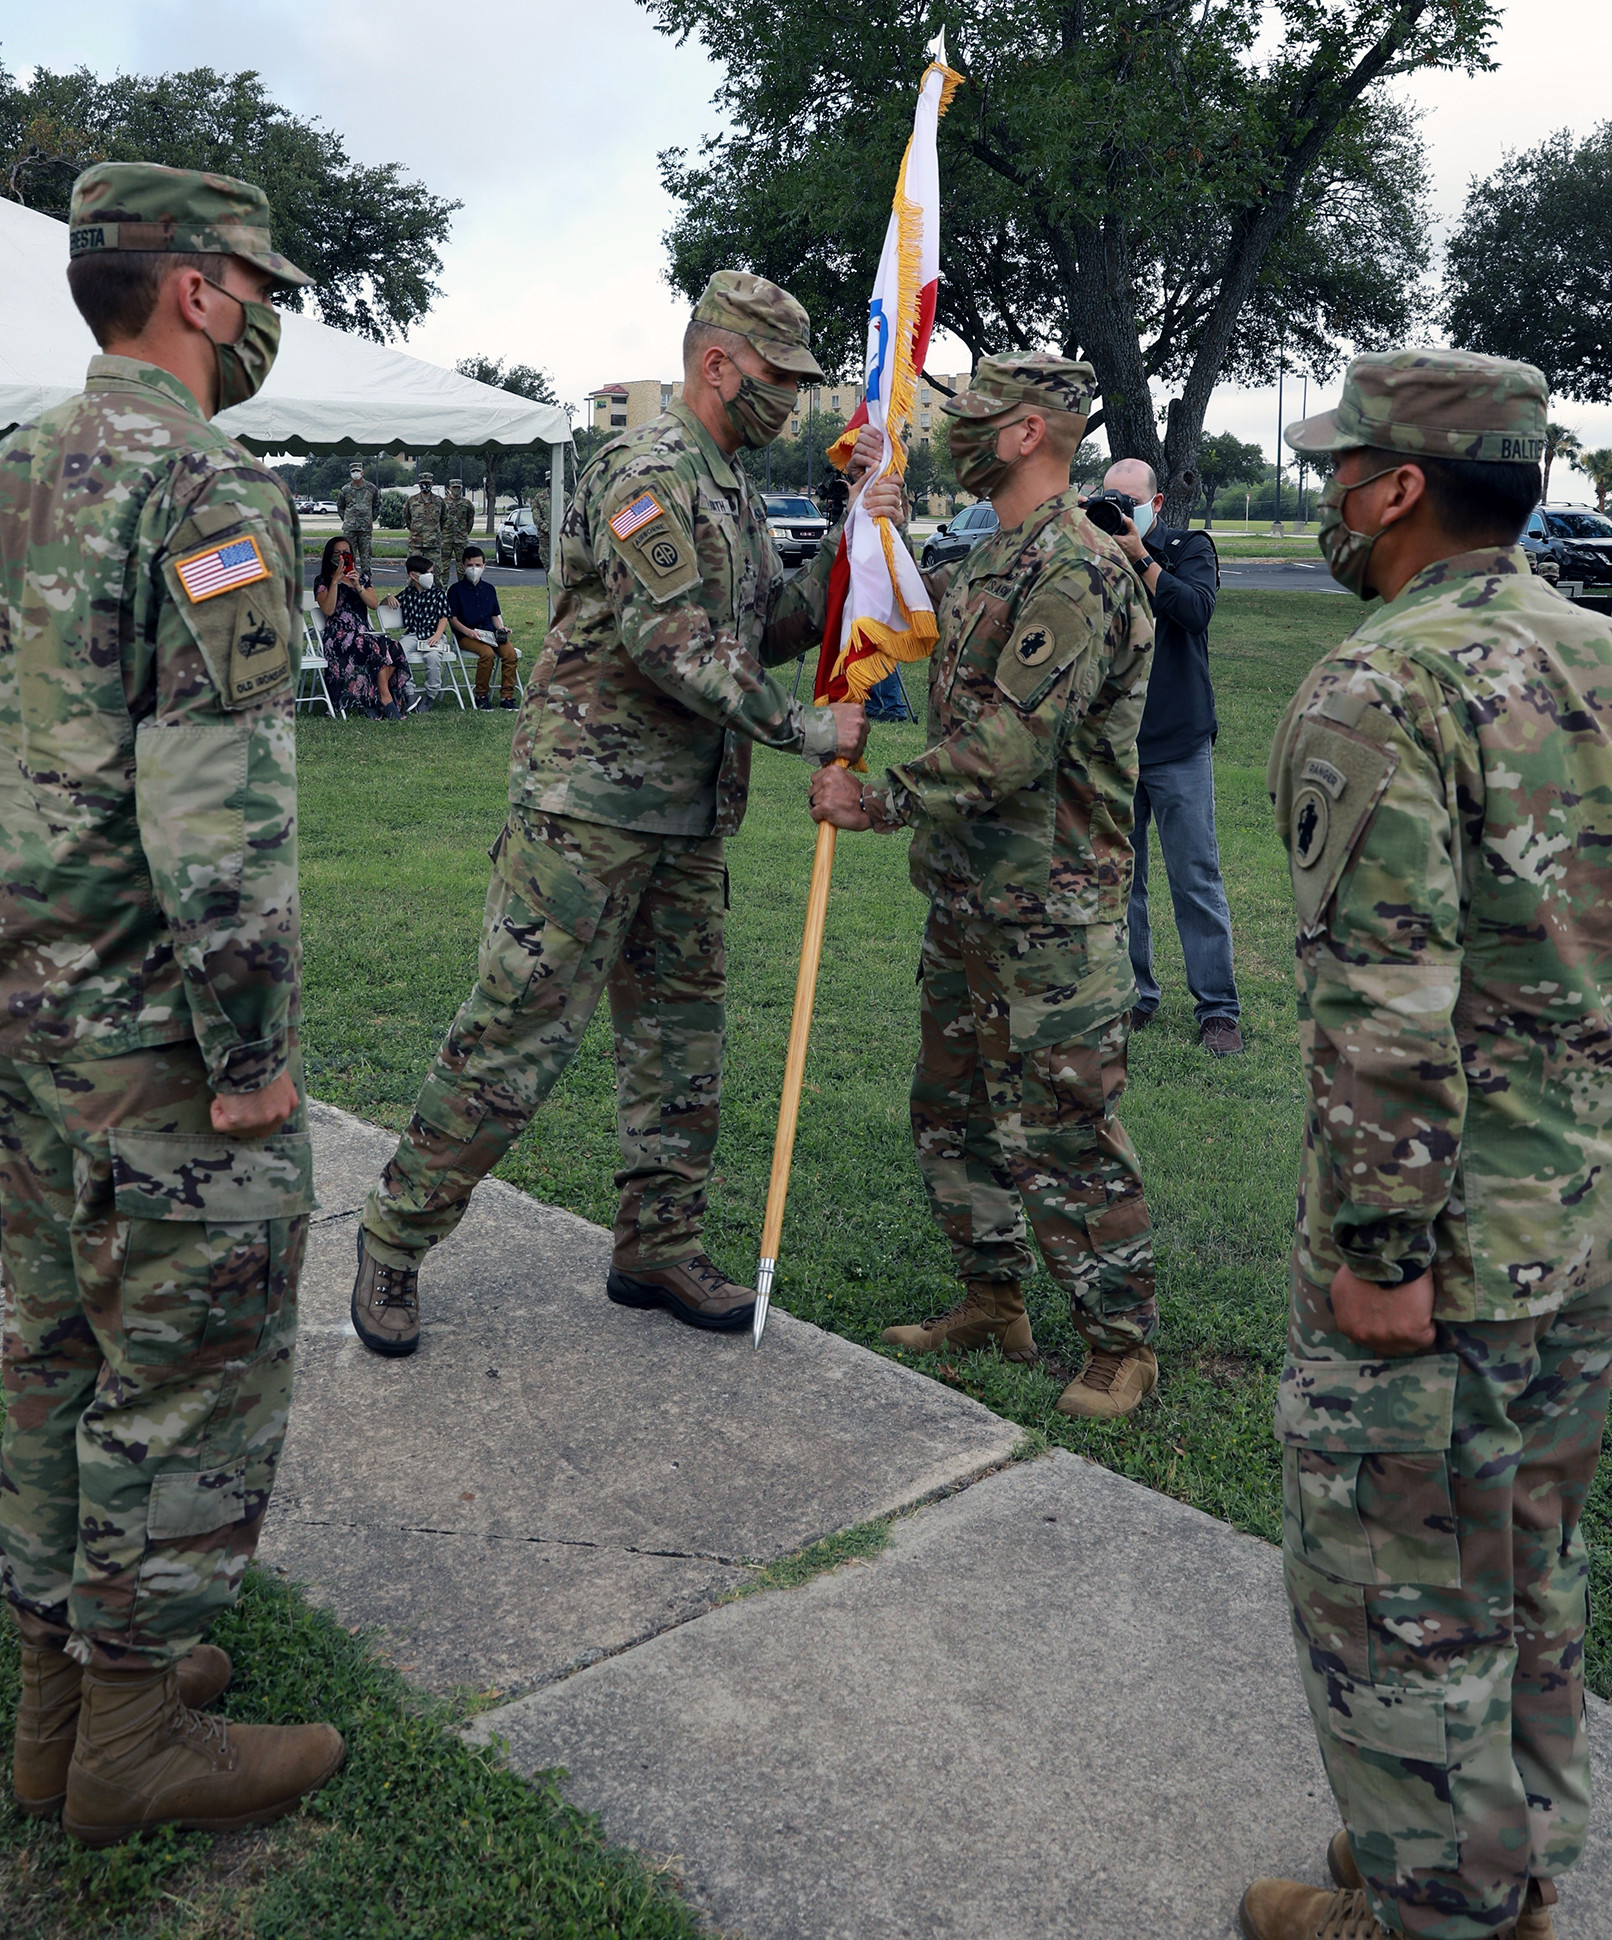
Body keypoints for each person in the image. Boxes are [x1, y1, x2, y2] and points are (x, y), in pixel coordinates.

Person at [1238, 348, 1612, 1940]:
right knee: (1525, 1555)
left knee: (1396, 1574)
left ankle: (1427, 1937)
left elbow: (1383, 1008)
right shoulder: (1594, 653)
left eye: (1338, 472)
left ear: (1396, 489)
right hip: (1579, 1216)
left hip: (1447, 1233)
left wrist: (1380, 1257)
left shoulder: (1381, 686)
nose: (1325, 497)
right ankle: (1514, 1895)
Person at [0, 161, 345, 1843]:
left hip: (18, 1016)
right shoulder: (203, 487)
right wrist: (256, 1056)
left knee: (49, 1350)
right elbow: (217, 807)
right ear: (198, 289)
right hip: (141, 1022)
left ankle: (59, 1705)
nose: (266, 311)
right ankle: (132, 1733)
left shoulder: (13, 461)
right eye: (253, 281)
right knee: (184, 1361)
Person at [350, 271, 882, 1356]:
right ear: (717, 362)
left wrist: (851, 546)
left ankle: (657, 1245)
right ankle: (394, 1237)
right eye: (779, 379)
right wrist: (805, 732)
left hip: (687, 813)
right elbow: (670, 641)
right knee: (515, 1038)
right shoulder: (641, 472)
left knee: (680, 1049)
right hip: (587, 810)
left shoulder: (726, 483)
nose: (792, 401)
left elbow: (766, 621)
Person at [810, 354, 1159, 1419]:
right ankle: (991, 1297)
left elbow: (1013, 740)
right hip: (969, 893)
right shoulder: (997, 555)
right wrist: (884, 522)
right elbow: (944, 659)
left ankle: (1119, 1344)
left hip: (1051, 905)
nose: (955, 432)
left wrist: (881, 801)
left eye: (972, 419)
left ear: (1025, 435)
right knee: (951, 1109)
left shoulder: (1076, 568)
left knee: (1061, 1122)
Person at [1100, 459, 1244, 1054]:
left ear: (1154, 506)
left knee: (1195, 878)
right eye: (1108, 498)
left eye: (1128, 500)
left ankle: (1218, 1010)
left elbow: (1196, 610)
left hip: (1179, 743)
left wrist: (1140, 556)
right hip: (1114, 744)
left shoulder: (1189, 547)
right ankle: (1134, 997)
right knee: (1119, 881)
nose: (1118, 509)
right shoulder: (1095, 553)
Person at [314, 534, 413, 718]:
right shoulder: (323, 581)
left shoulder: (363, 578)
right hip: (338, 636)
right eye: (337, 553)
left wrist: (357, 585)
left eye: (346, 553)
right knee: (374, 647)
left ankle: (380, 695)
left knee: (394, 647)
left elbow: (374, 604)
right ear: (329, 557)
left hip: (362, 631)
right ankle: (384, 698)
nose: (341, 556)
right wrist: (335, 580)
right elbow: (328, 609)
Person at [447, 546, 519, 708]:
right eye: (470, 565)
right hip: (466, 635)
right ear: (463, 566)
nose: (474, 569)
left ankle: (507, 696)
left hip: (490, 634)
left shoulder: (489, 589)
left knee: (510, 654)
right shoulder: (455, 591)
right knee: (487, 654)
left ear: (484, 566)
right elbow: (452, 619)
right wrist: (469, 632)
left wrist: (501, 628)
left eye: (478, 565)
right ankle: (481, 695)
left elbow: (495, 615)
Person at [382, 553, 451, 704]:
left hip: (433, 633)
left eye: (432, 573)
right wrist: (388, 597)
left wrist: (438, 635)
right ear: (414, 575)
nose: (431, 576)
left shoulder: (438, 593)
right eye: (428, 573)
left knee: (433, 657)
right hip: (413, 634)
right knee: (399, 653)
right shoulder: (408, 593)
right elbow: (382, 606)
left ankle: (431, 695)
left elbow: (444, 616)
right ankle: (409, 691)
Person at [339, 461, 379, 577]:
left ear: (362, 472)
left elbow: (376, 505)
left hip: (365, 529)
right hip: (350, 528)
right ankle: (348, 582)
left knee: (365, 558)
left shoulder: (371, 488)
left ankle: (366, 582)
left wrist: (370, 519)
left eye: (357, 471)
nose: (355, 473)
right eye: (353, 471)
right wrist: (348, 519)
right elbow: (341, 507)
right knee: (348, 556)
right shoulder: (345, 489)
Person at [403, 468, 446, 577]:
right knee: (413, 576)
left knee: (436, 576)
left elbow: (444, 519)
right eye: (423, 483)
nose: (425, 485)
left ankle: (437, 594)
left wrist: (434, 532)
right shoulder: (412, 501)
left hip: (433, 545)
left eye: (427, 483)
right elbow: (408, 519)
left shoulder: (439, 501)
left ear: (432, 484)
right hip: (416, 545)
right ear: (419, 484)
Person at [441, 478, 475, 582]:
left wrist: (464, 533)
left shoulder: (467, 504)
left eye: (458, 488)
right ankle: (442, 591)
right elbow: (438, 520)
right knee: (443, 567)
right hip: (446, 539)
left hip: (461, 540)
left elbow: (470, 521)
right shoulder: (443, 503)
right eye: (454, 487)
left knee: (463, 567)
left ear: (461, 488)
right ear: (449, 488)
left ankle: (462, 590)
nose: (456, 490)